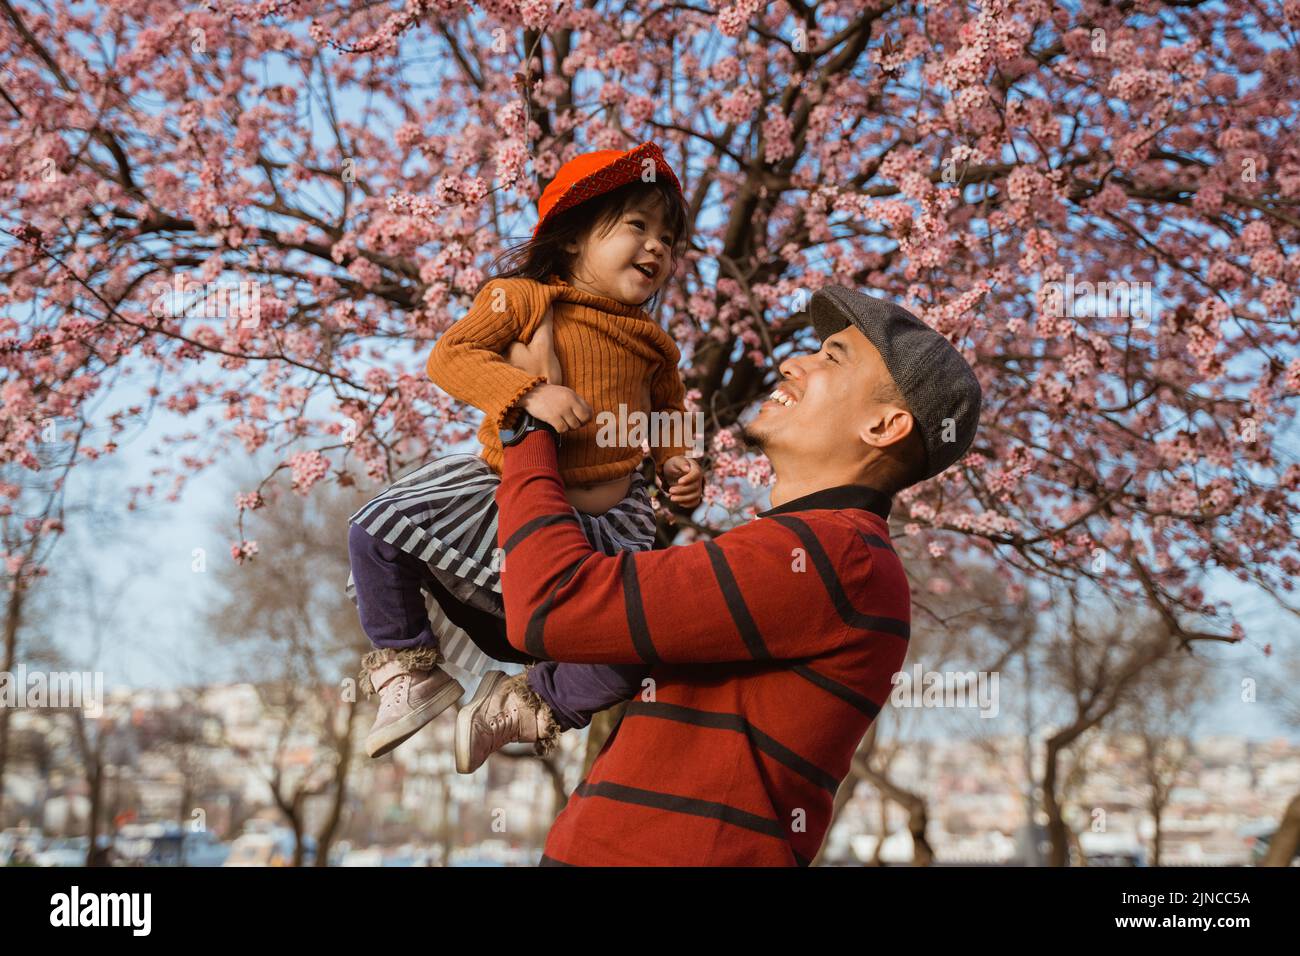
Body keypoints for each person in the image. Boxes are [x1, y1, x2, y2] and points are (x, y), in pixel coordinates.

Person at [482, 284, 983, 865]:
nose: (792, 361)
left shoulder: (833, 555)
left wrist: (530, 424)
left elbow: (552, 604)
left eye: (831, 358)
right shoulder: (806, 550)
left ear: (883, 426)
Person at [345, 142, 706, 766]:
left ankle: (523, 705)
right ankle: (410, 668)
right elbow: (451, 357)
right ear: (572, 239)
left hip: (609, 525)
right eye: (637, 227)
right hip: (501, 494)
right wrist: (529, 392)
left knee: (636, 645)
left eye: (669, 240)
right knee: (377, 528)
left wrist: (676, 461)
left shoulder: (654, 345)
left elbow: (672, 414)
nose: (657, 248)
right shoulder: (523, 299)